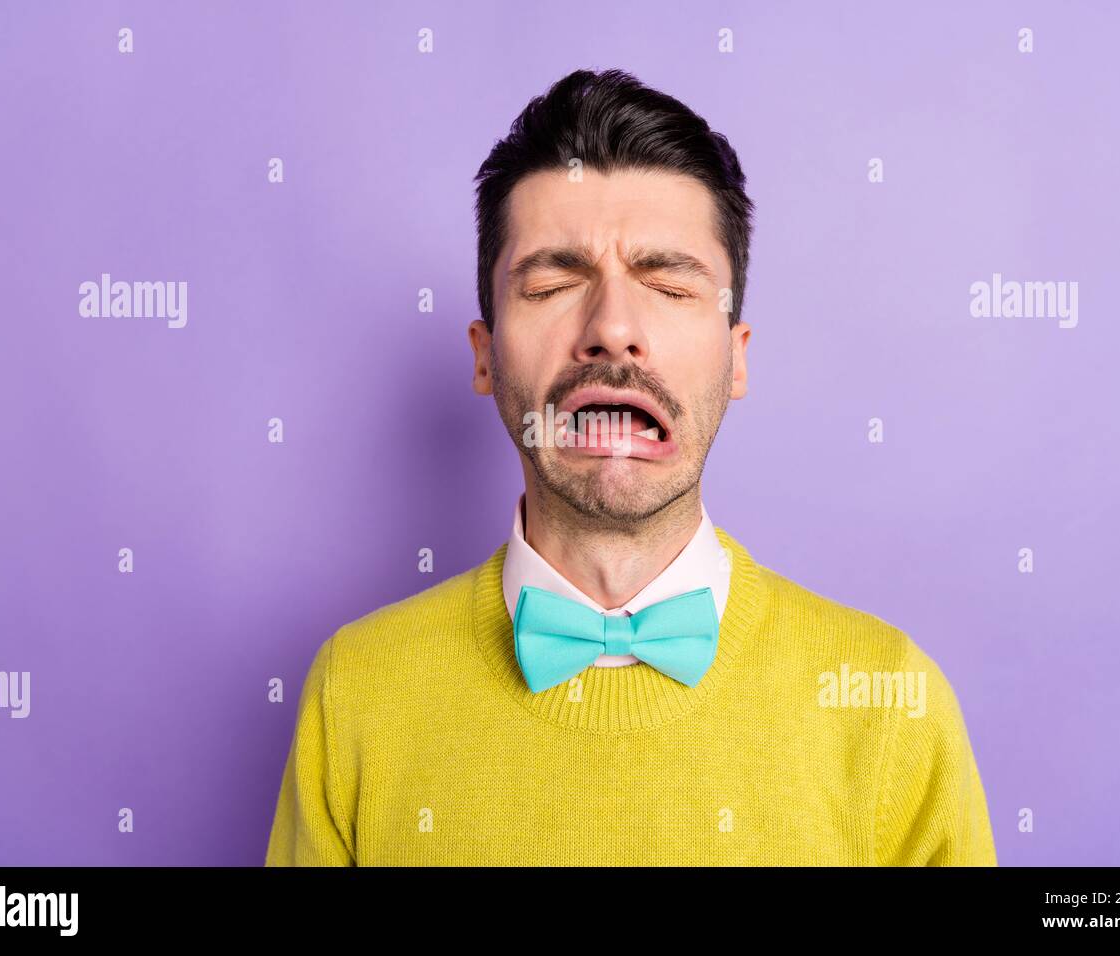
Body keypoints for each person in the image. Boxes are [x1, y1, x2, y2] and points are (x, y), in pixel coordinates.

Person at [265, 68, 996, 866]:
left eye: (669, 286)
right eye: (551, 282)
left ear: (735, 359)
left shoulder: (889, 701)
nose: (612, 328)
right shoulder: (357, 692)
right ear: (484, 357)